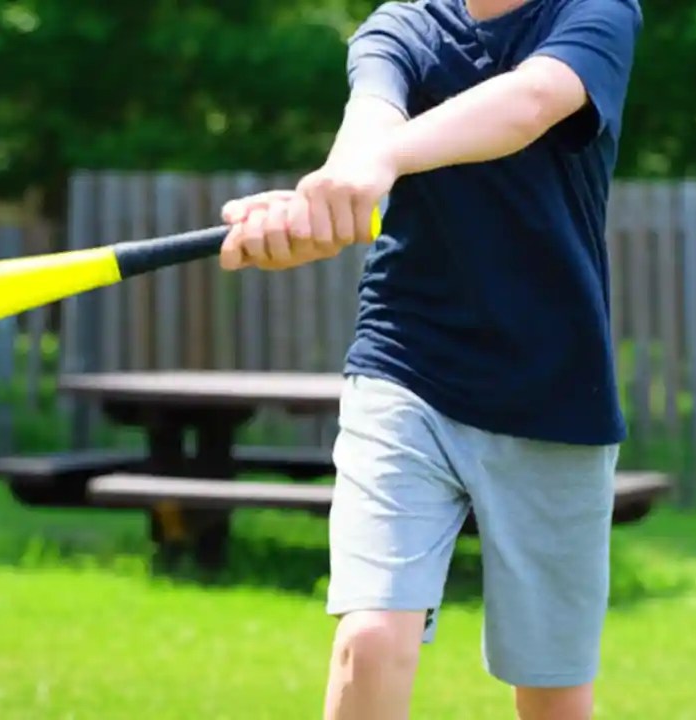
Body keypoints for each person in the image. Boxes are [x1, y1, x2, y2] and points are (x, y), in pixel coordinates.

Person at [217, 0, 642, 718]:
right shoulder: (400, 27)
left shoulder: (595, 11)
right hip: (405, 369)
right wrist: (327, 198)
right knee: (371, 640)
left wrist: (380, 161)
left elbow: (532, 100)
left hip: (554, 391)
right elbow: (370, 120)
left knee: (553, 694)